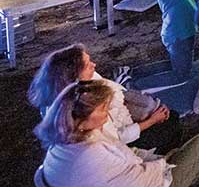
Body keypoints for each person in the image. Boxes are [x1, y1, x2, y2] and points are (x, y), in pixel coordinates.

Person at [35, 80, 199, 187]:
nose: (106, 115)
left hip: (143, 175)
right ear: (83, 117)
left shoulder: (69, 141)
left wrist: (153, 159)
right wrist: (162, 163)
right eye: (103, 109)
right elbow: (137, 185)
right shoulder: (87, 155)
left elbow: (124, 160)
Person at [29, 44, 183, 154]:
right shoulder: (81, 106)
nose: (94, 65)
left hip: (123, 119)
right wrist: (152, 120)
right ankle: (165, 159)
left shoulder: (84, 82)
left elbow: (118, 92)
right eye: (89, 65)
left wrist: (146, 108)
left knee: (167, 114)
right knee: (172, 124)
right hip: (121, 144)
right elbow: (118, 137)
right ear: (75, 75)